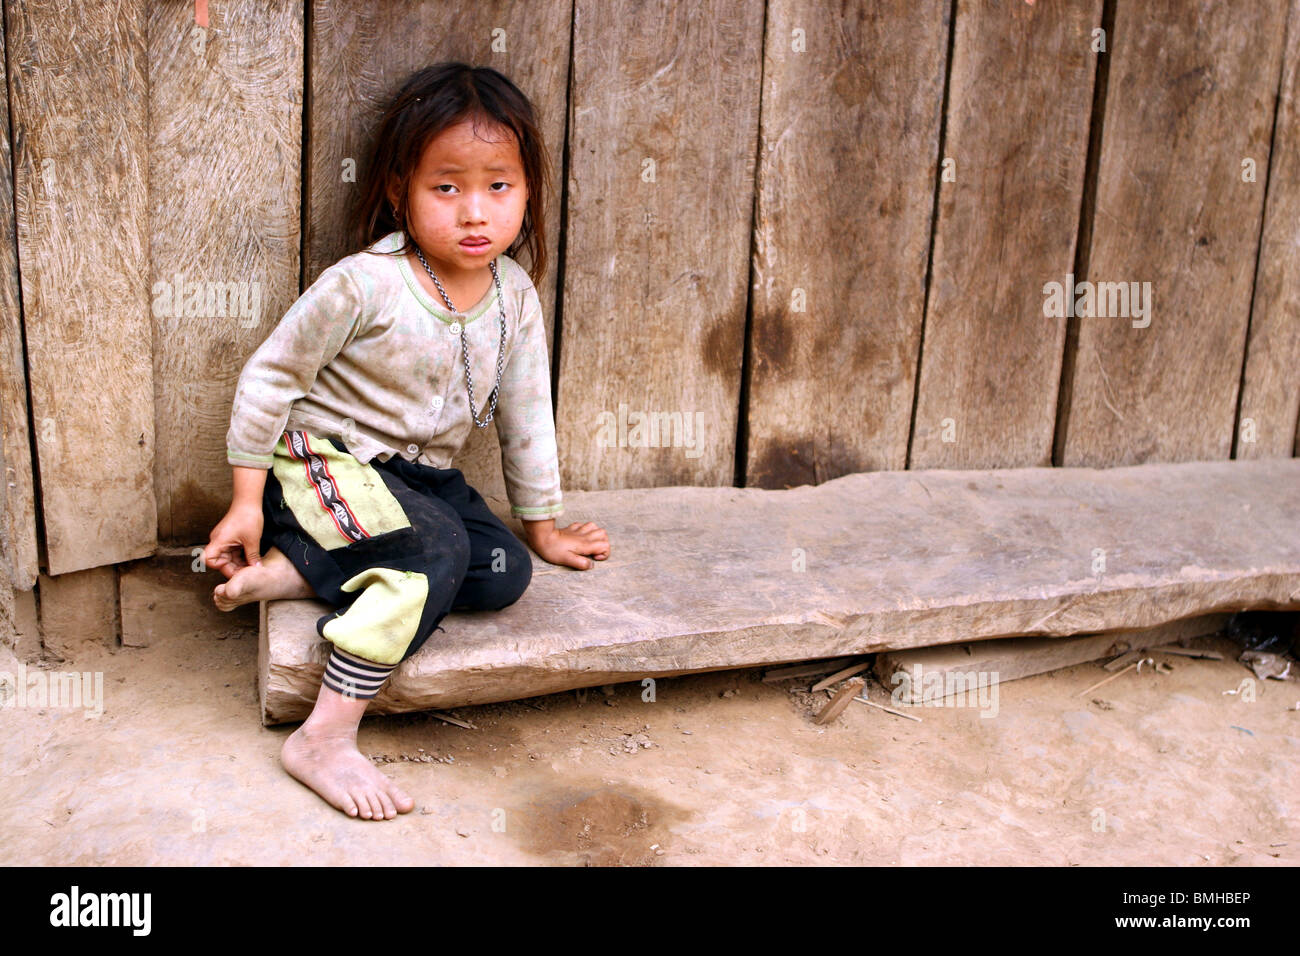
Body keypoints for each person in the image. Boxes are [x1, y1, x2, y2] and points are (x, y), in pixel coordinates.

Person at [203, 63, 610, 821]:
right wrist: (245, 504)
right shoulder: (366, 284)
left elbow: (527, 413)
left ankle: (299, 573)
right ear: (400, 190)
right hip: (322, 464)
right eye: (446, 187)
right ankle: (324, 735)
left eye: (500, 186)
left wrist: (543, 528)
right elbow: (268, 382)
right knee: (433, 553)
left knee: (500, 572)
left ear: (528, 193)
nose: (474, 212)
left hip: (414, 480)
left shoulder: (514, 294)